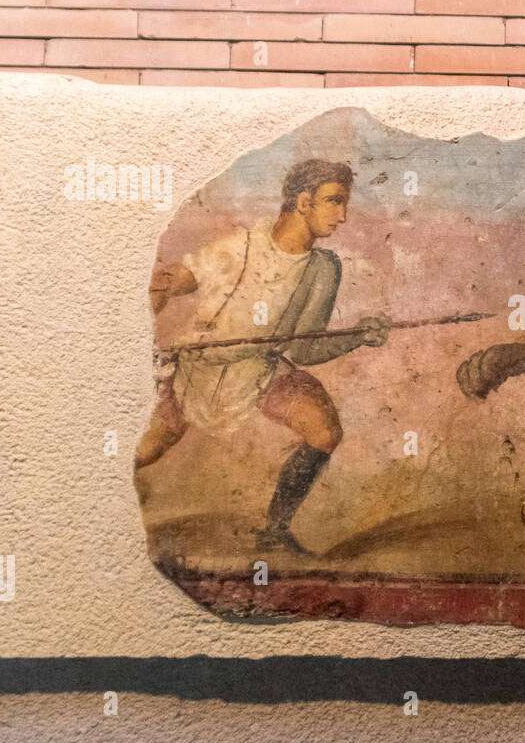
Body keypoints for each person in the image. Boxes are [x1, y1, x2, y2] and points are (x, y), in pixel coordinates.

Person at [135, 159, 388, 555]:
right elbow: (165, 283)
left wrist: (358, 337)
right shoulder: (241, 247)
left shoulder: (323, 268)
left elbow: (305, 347)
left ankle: (274, 530)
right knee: (148, 448)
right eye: (334, 202)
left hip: (257, 369)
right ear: (304, 202)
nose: (343, 216)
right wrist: (131, 337)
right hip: (196, 370)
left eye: (344, 203)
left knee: (324, 430)